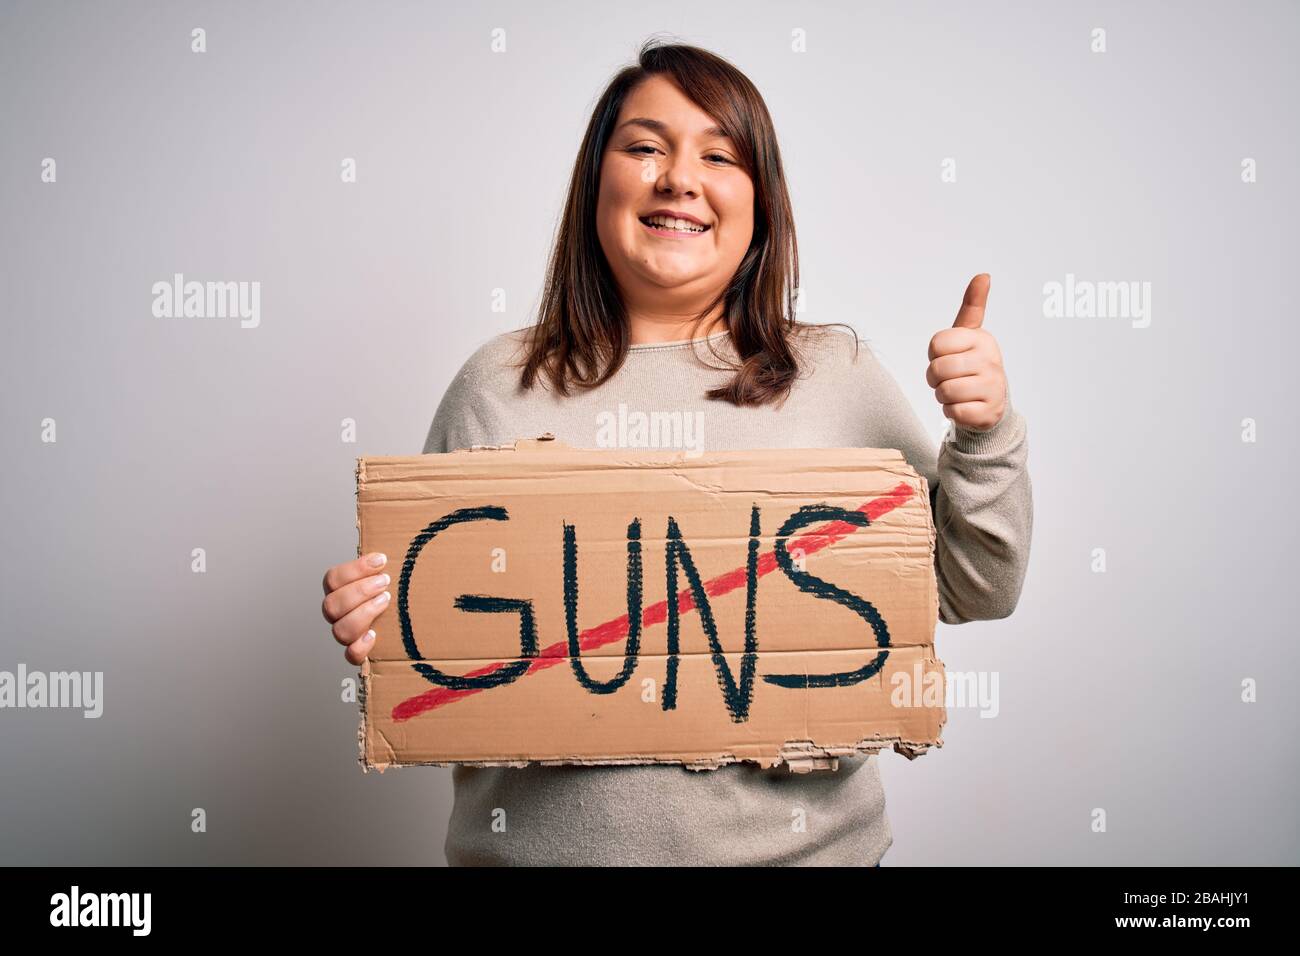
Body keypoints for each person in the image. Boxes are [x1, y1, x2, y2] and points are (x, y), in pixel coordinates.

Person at [320, 39, 1032, 866]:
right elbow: (441, 648)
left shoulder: (837, 380)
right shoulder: (495, 387)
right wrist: (383, 618)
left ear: (761, 204)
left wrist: (984, 431)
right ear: (598, 184)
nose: (678, 179)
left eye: (718, 155)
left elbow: (978, 588)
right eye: (645, 147)